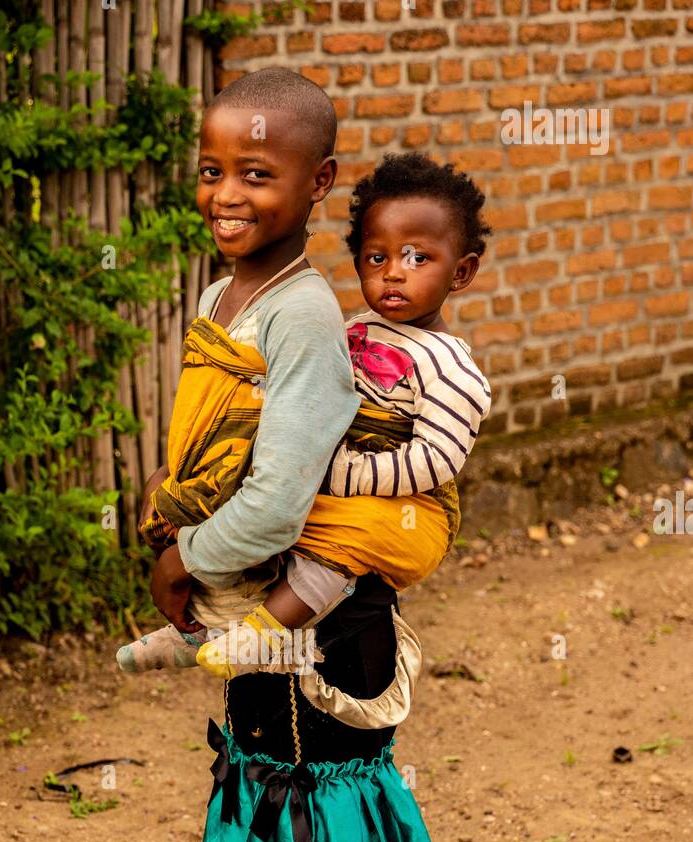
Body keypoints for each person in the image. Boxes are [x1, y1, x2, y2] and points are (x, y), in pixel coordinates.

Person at [148, 69, 481, 842]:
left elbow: (284, 498)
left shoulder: (297, 316)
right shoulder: (230, 296)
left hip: (325, 635)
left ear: (312, 183)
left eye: (256, 172)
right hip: (256, 615)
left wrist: (185, 557)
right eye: (212, 169)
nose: (227, 192)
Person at [116, 151, 491, 681]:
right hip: (334, 484)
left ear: (463, 271)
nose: (394, 275)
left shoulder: (452, 366)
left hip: (400, 507)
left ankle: (266, 633)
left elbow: (437, 460)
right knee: (254, 518)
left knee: (332, 550)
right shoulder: (352, 329)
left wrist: (344, 474)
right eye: (376, 259)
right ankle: (201, 629)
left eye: (417, 259)